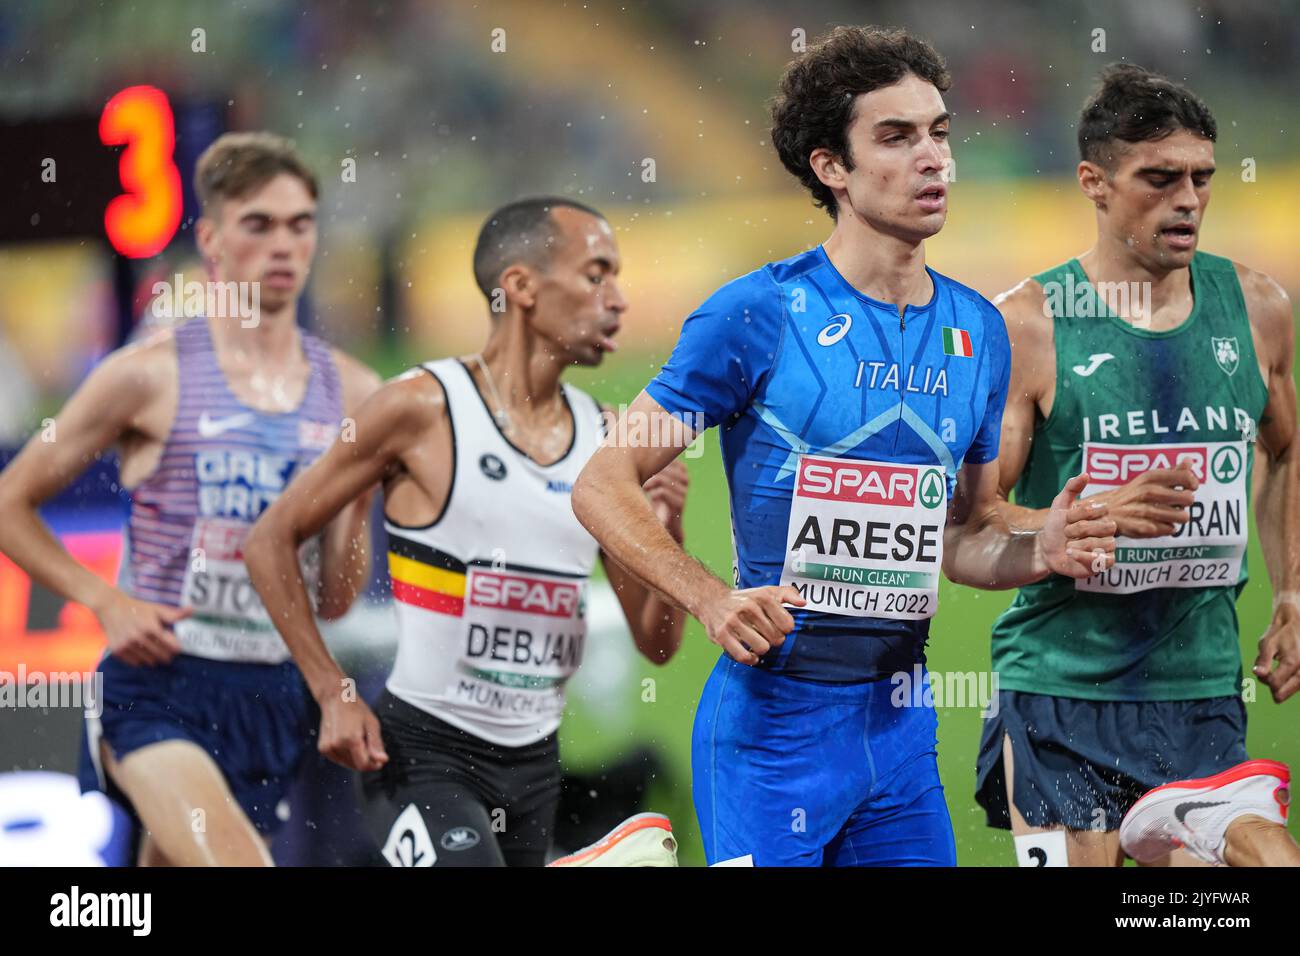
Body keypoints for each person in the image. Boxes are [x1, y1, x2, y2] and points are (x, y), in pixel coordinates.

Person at [570, 25, 1115, 867]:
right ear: (831, 167)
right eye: (895, 138)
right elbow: (602, 480)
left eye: (939, 132)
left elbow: (964, 535)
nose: (933, 158)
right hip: (769, 733)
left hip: (899, 727)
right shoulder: (754, 315)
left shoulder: (978, 329)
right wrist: (711, 598)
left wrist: (1038, 544)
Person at [246, 197, 687, 867]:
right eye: (596, 274)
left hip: (535, 768)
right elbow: (268, 541)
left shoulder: (606, 441)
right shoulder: (420, 408)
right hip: (423, 756)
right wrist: (334, 694)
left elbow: (656, 643)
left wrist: (670, 526)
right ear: (521, 287)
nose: (619, 300)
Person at [0, 132, 380, 865]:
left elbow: (334, 600)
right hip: (161, 686)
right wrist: (104, 601)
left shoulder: (355, 394)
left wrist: (354, 502)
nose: (283, 245)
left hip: (273, 695)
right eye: (258, 225)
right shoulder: (147, 375)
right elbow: (10, 502)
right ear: (210, 239)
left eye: (300, 225)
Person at [975, 64, 1300, 867]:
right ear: (1094, 182)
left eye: (1201, 178)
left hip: (1202, 692)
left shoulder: (1257, 309)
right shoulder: (1029, 324)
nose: (1187, 199)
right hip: (1059, 693)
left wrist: (1291, 589)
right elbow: (973, 514)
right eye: (1159, 179)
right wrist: (1075, 518)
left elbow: (1285, 448)